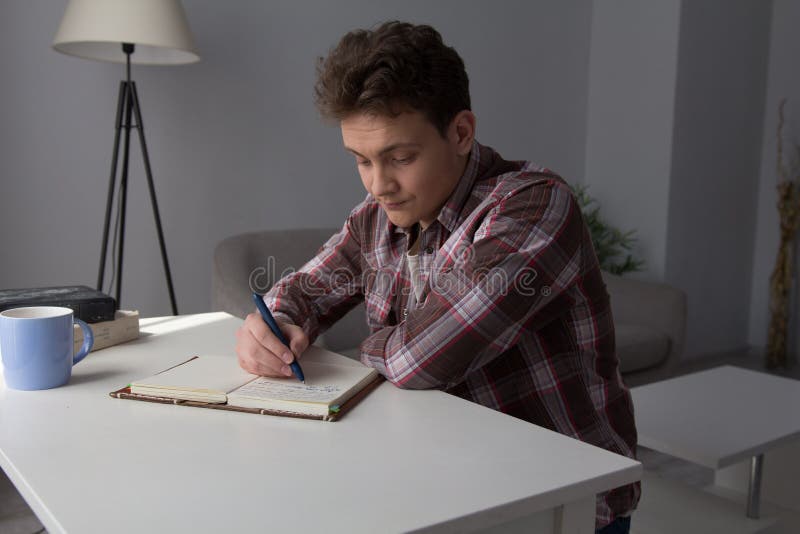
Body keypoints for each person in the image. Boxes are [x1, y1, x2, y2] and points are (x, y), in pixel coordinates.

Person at [235, 21, 639, 533]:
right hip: (448, 486)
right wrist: (274, 326)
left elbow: (417, 359)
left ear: (462, 132)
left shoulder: (534, 206)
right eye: (361, 161)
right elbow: (302, 290)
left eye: (400, 158)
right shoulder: (376, 218)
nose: (379, 184)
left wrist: (360, 351)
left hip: (564, 506)